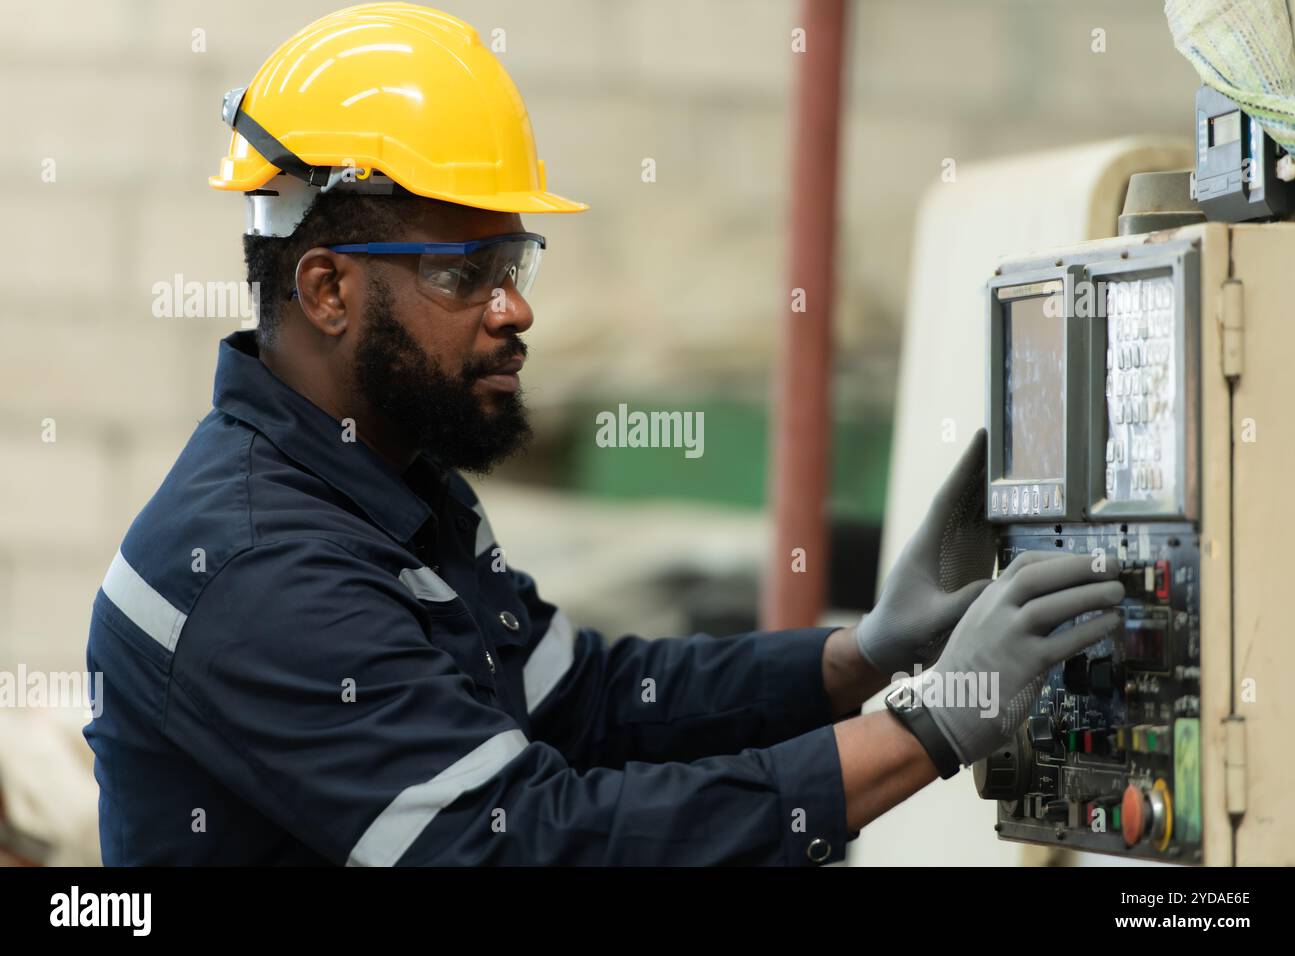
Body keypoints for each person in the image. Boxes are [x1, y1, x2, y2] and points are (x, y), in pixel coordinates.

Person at [83, 3, 1123, 866]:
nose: (515, 309)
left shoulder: (396, 491)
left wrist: (860, 655)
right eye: (464, 275)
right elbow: (532, 844)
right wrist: (928, 726)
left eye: (513, 264)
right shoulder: (259, 564)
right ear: (326, 290)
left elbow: (590, 702)